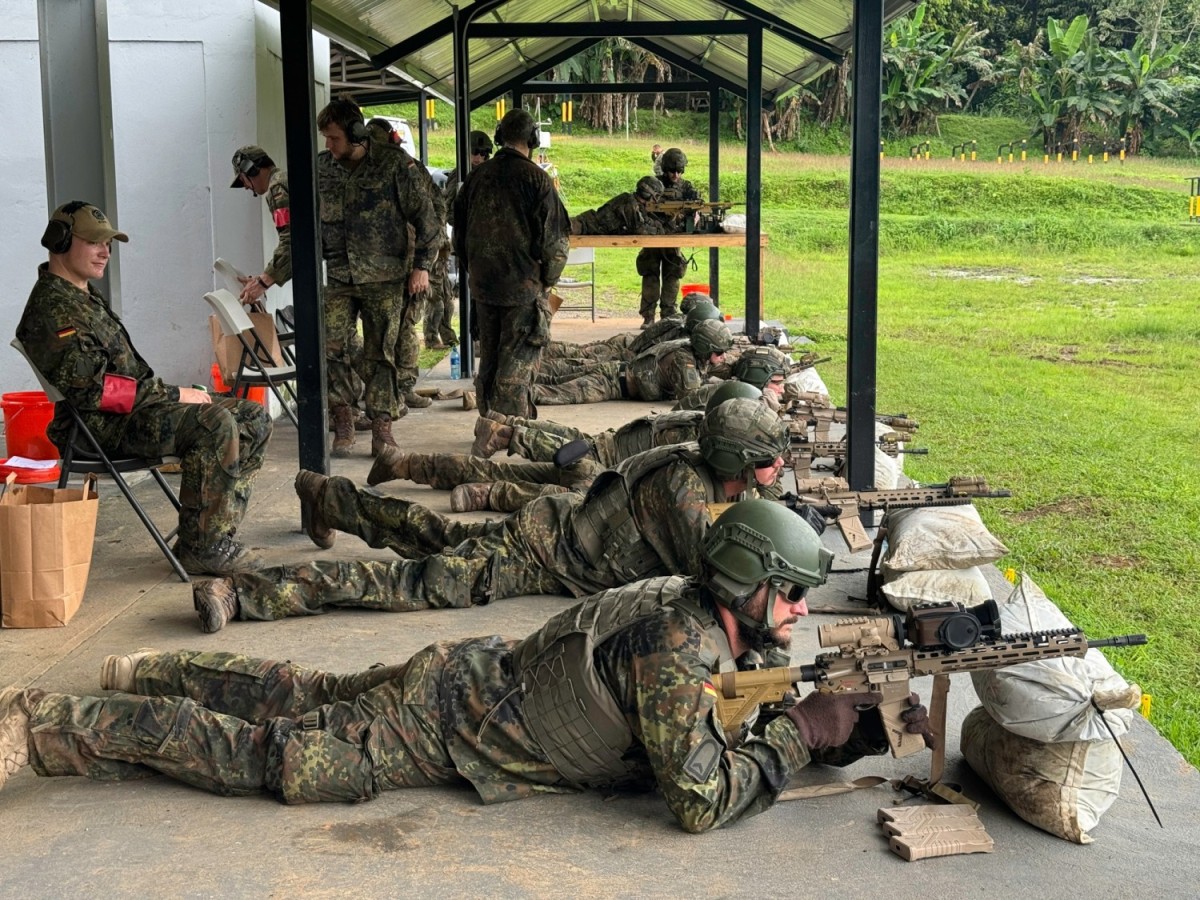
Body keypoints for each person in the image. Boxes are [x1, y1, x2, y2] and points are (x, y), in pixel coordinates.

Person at [0, 500, 932, 833]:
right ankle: (43, 726)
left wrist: (818, 717)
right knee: (281, 756)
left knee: (305, 692)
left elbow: (709, 710)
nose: (802, 612)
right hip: (451, 724)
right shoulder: (678, 648)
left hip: (466, 679)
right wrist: (799, 735)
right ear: (744, 581)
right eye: (791, 595)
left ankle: (148, 671)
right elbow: (695, 799)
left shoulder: (691, 613)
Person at [188, 396, 791, 631]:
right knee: (415, 582)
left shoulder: (709, 473)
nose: (777, 469)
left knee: (435, 535)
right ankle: (242, 592)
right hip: (544, 553)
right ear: (738, 460)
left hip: (554, 535)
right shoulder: (686, 490)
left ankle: (332, 498)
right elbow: (721, 584)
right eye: (768, 461)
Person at [15, 202, 272, 576]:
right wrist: (173, 395)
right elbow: (96, 392)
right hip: (99, 426)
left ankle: (208, 533)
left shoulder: (79, 294)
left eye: (108, 243)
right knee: (214, 423)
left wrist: (168, 394)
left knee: (253, 417)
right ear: (60, 241)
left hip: (132, 412)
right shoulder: (51, 309)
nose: (105, 251)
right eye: (94, 241)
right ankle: (204, 547)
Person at [369, 383, 765, 514]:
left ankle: (404, 463)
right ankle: (490, 493)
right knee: (575, 503)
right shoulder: (701, 454)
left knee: (499, 468)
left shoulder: (697, 428)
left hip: (592, 456)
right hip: (599, 470)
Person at [317, 97, 441, 456]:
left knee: (381, 354)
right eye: (326, 138)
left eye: (334, 138)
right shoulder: (321, 168)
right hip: (338, 277)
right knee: (332, 348)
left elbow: (427, 220)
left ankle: (382, 428)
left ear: (356, 133)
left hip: (385, 278)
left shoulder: (395, 164)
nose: (329, 145)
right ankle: (343, 419)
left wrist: (422, 266)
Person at [454, 108, 570, 419]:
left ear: (499, 136)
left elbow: (459, 237)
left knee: (489, 362)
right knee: (516, 368)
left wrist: (476, 271)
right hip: (522, 289)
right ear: (533, 139)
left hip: (483, 287)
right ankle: (507, 432)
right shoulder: (536, 179)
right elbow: (555, 243)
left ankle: (486, 424)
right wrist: (546, 281)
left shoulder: (476, 177)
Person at [531, 317, 732, 407]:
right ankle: (516, 390)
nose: (723, 356)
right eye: (719, 352)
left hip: (614, 373)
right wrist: (725, 391)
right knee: (554, 393)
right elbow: (690, 397)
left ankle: (519, 377)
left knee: (552, 379)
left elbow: (719, 369)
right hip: (610, 383)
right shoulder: (684, 360)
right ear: (706, 348)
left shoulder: (691, 351)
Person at [538, 297, 720, 380]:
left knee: (579, 353)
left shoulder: (681, 322)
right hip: (624, 348)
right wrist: (631, 355)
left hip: (626, 345)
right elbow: (649, 340)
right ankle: (538, 354)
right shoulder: (678, 328)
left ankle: (539, 353)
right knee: (578, 358)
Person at [637, 147, 700, 327]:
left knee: (672, 276)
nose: (676, 175)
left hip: (673, 237)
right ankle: (648, 316)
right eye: (672, 171)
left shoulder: (686, 187)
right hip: (652, 236)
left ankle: (668, 315)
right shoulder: (653, 184)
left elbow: (696, 207)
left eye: (679, 171)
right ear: (665, 169)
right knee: (650, 275)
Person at [228, 145, 291, 307]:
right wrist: (264, 277)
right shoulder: (284, 179)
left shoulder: (277, 188)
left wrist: (262, 283)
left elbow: (291, 241)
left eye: (243, 180)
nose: (246, 187)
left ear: (252, 170)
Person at [674, 344, 792, 412]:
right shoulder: (728, 396)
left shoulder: (737, 388)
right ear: (757, 378)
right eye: (777, 383)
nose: (782, 390)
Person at [570, 177, 665, 237]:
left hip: (587, 225)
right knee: (563, 229)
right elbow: (640, 230)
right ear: (648, 193)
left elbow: (645, 222)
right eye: (656, 196)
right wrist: (658, 230)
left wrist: (657, 225)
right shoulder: (630, 203)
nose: (656, 200)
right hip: (583, 226)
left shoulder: (634, 203)